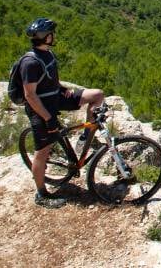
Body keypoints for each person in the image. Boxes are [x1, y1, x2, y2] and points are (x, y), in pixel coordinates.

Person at [21, 17, 105, 208]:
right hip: (41, 109)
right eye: (52, 33)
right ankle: (41, 194)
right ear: (47, 37)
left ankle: (85, 138)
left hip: (56, 98)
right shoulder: (30, 63)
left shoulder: (48, 55)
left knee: (97, 95)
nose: (54, 36)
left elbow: (49, 79)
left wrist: (62, 87)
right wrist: (48, 118)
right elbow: (30, 95)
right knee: (42, 153)